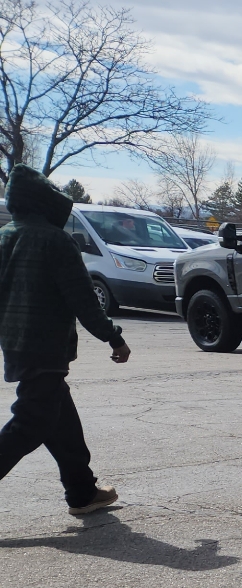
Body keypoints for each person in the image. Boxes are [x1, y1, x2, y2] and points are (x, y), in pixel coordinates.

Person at [0, 166, 131, 515]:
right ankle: (81, 490)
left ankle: (82, 491)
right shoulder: (55, 240)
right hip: (45, 345)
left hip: (15, 344)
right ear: (46, 202)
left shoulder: (5, 236)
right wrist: (113, 338)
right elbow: (83, 299)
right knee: (30, 423)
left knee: (59, 418)